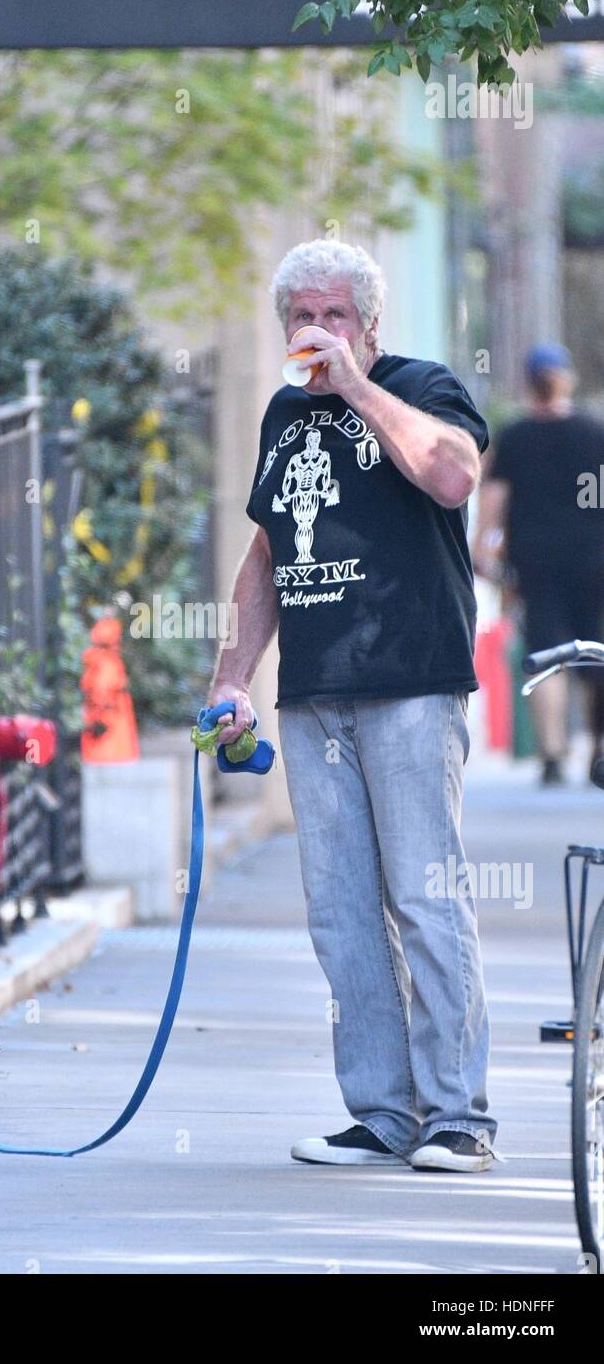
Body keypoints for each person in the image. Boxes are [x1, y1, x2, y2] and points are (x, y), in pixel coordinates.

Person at [208, 238, 498, 1173]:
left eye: (335, 316)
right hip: (315, 694)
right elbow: (264, 561)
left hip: (412, 682)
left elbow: (451, 475)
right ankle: (382, 1113)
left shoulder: (422, 386)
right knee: (339, 912)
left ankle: (459, 1117)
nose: (316, 332)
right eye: (301, 316)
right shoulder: (282, 414)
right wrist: (229, 679)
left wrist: (357, 388)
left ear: (370, 327)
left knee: (424, 897)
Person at [474, 343, 604, 786]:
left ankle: (551, 755)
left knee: (547, 649)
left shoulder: (514, 436)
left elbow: (493, 499)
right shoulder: (594, 431)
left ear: (529, 383)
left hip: (536, 560)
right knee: (594, 649)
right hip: (595, 558)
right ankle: (598, 750)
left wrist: (482, 551)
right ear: (566, 378)